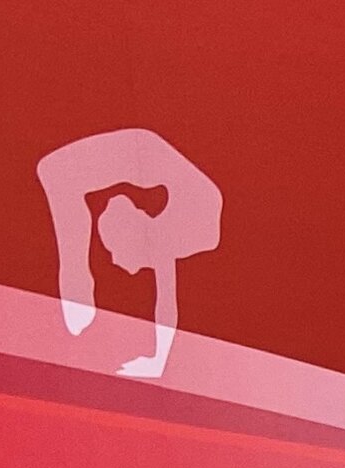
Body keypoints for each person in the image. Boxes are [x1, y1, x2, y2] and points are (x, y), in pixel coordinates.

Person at [34, 127, 222, 380]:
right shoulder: (166, 236)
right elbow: (165, 301)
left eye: (112, 251)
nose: (113, 260)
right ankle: (75, 277)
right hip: (143, 156)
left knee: (56, 174)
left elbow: (166, 302)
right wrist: (158, 361)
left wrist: (158, 362)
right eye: (113, 250)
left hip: (147, 158)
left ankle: (76, 278)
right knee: (54, 172)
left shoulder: (169, 234)